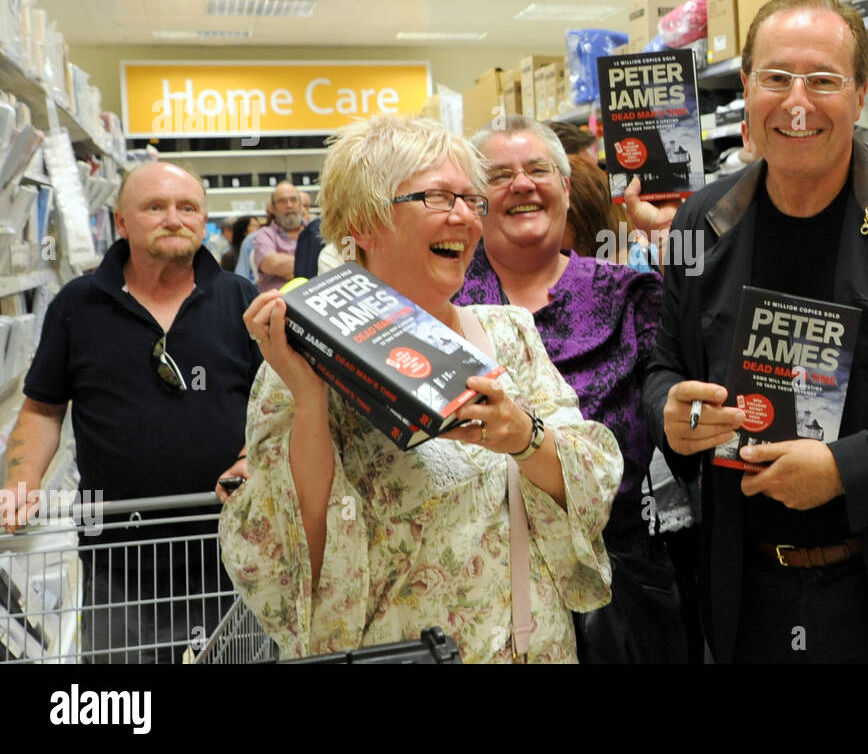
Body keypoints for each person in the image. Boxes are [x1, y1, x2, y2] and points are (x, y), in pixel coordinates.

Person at [642, 0, 868, 664]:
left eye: (824, 80)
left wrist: (848, 468)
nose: (798, 103)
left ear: (862, 93)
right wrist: (670, 410)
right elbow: (664, 366)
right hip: (746, 598)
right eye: (776, 78)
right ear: (747, 88)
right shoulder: (703, 222)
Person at [220, 114, 621, 663]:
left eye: (471, 199)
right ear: (363, 223)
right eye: (438, 197)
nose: (466, 217)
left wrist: (523, 436)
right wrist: (311, 400)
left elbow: (593, 480)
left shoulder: (506, 335)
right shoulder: (296, 360)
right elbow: (292, 561)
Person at [1, 162, 261, 661]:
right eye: (155, 207)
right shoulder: (78, 305)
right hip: (117, 557)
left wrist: (251, 458)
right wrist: (22, 482)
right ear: (121, 222)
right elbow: (41, 410)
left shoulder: (239, 298)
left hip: (228, 546)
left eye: (188, 208)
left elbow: (274, 404)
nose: (174, 218)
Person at [454, 116, 683, 662]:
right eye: (499, 175)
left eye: (539, 170)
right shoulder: (443, 301)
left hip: (618, 591)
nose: (523, 184)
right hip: (480, 598)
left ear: (564, 185)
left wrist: (673, 248)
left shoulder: (631, 296)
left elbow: (705, 370)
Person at [249, 180, 303, 292]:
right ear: (272, 208)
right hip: (281, 303)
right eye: (282, 201)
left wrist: (291, 270)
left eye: (293, 200)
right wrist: (312, 265)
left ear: (300, 205)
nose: (289, 205)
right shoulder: (264, 235)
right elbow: (272, 264)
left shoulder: (316, 231)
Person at [233, 214, 266, 283]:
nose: (258, 228)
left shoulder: (262, 243)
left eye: (258, 225)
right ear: (243, 230)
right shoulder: (231, 255)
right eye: (254, 225)